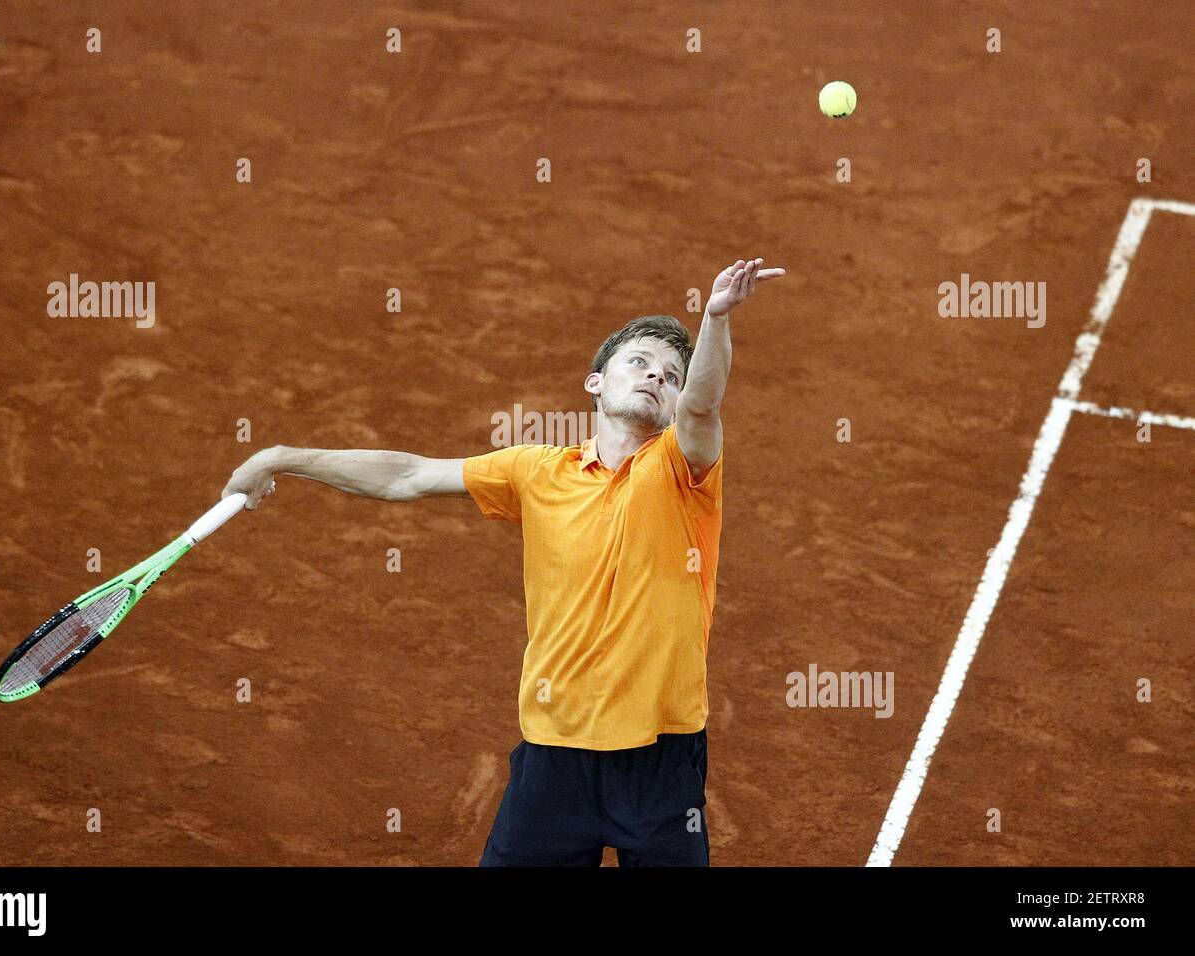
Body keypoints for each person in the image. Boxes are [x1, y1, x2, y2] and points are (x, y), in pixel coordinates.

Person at [223, 257, 784, 865]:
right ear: (595, 382)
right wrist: (282, 456)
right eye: (639, 362)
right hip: (554, 754)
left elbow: (703, 407)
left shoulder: (685, 468)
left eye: (671, 376)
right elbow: (408, 475)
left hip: (661, 759)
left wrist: (716, 319)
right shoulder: (535, 471)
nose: (656, 377)